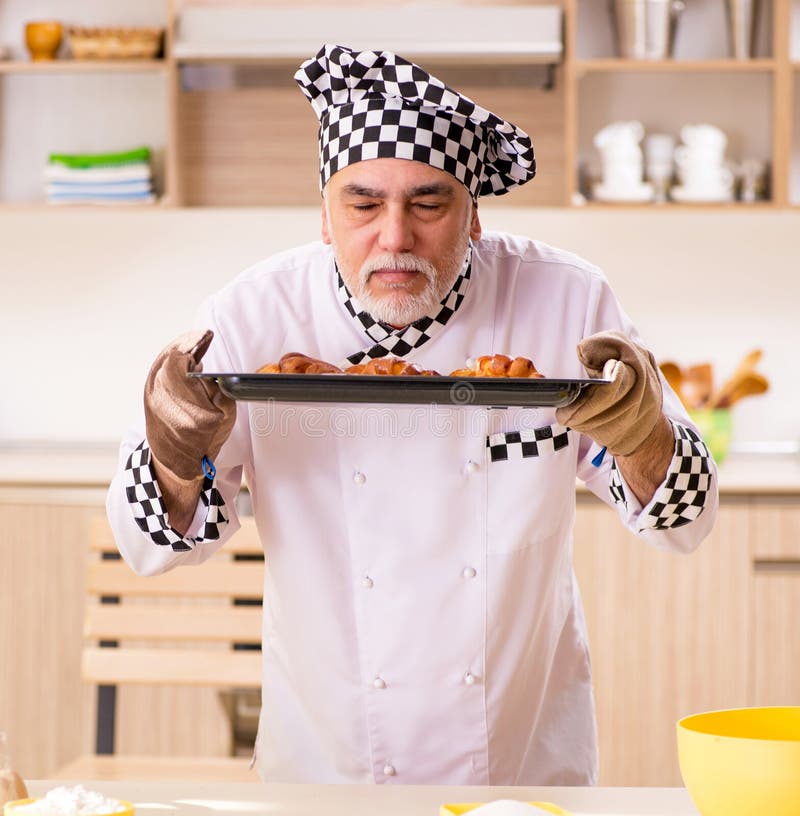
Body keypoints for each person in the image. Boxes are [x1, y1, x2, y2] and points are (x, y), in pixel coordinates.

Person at [108, 44, 718, 786]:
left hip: (521, 776)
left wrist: (643, 439)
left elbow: (686, 521)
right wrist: (174, 457)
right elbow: (150, 547)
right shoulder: (253, 317)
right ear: (325, 217)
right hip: (322, 776)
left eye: (428, 203)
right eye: (363, 204)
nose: (394, 237)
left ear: (475, 215)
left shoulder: (565, 303)